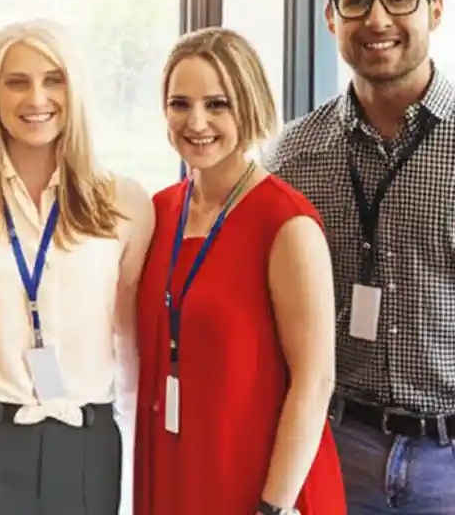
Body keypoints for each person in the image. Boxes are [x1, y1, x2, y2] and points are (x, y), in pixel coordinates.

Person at [265, 0, 455, 513]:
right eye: (356, 1)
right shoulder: (295, 155)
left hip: (452, 458)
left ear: (435, 9)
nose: (377, 19)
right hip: (335, 446)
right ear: (332, 18)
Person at [0, 19, 152, 515]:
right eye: (17, 81)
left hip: (85, 441)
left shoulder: (124, 202)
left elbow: (131, 342)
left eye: (53, 80)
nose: (36, 98)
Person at [137, 27, 345, 514]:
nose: (196, 121)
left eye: (217, 104)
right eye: (179, 103)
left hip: (264, 481)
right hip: (177, 466)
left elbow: (315, 383)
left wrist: (273, 507)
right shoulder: (160, 212)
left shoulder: (286, 223)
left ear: (248, 105)